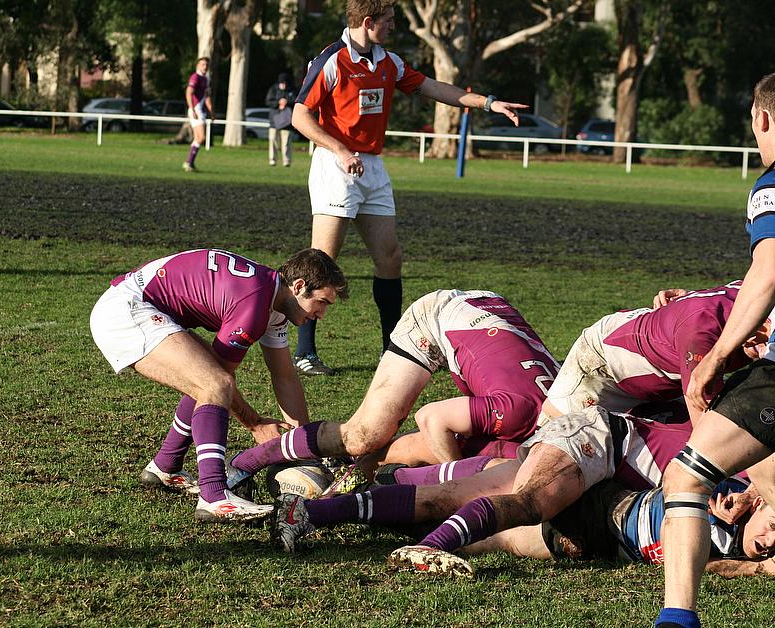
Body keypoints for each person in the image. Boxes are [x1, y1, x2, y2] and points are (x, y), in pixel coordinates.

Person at [290, 0, 527, 376]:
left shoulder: (389, 62)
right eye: (389, 21)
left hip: (372, 166)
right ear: (368, 22)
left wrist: (489, 103)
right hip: (335, 165)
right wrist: (340, 150)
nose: (393, 27)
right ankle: (304, 352)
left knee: (390, 258)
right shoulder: (332, 60)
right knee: (322, 261)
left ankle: (392, 349)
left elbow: (434, 88)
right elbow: (299, 115)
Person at [89, 248, 347, 522]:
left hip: (141, 305)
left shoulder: (273, 303)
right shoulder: (254, 303)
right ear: (299, 286)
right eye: (322, 302)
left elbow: (285, 376)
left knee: (209, 380)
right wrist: (255, 423)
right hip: (127, 310)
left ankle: (166, 465)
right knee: (215, 383)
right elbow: (220, 379)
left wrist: (303, 445)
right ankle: (214, 496)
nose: (322, 314)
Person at [226, 289, 560, 491]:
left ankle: (353, 468)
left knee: (473, 446)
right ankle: (244, 463)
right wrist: (457, 485)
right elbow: (430, 418)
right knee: (364, 435)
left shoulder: (565, 413)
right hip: (435, 318)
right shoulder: (516, 413)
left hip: (490, 312)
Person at [655, 74, 775, 628]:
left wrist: (716, 355)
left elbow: (768, 271)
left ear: (762, 118)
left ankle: (678, 620)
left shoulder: (770, 185)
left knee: (686, 479)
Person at [271, 403, 699, 555]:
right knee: (526, 505)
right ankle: (427, 548)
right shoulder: (729, 454)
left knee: (448, 503)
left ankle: (307, 512)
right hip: (599, 442)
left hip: (598, 459)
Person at [390, 476, 775, 578]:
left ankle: (407, 532)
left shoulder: (742, 553)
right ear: (761, 502)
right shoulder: (729, 492)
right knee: (488, 496)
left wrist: (757, 567)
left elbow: (694, 563)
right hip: (601, 509)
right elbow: (684, 475)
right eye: (773, 525)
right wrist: (735, 494)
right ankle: (390, 492)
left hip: (597, 544)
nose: (769, 539)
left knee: (494, 540)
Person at [539, 281, 773, 425]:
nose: (768, 351)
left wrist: (688, 300)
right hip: (603, 364)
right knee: (555, 432)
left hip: (663, 363)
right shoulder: (700, 335)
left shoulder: (760, 292)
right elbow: (706, 427)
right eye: (769, 341)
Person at [183, 57, 213, 173]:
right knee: (201, 137)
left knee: (198, 138)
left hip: (201, 110)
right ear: (198, 65)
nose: (205, 67)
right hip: (196, 109)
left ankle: (189, 163)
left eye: (206, 65)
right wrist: (192, 109)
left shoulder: (206, 79)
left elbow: (207, 96)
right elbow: (189, 93)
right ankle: (189, 162)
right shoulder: (195, 77)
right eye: (202, 64)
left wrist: (211, 111)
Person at [266, 73, 296, 167]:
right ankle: (272, 160)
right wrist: (278, 102)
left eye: (285, 83)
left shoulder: (291, 90)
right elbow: (268, 101)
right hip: (274, 121)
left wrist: (287, 102)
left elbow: (296, 101)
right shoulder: (273, 89)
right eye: (282, 83)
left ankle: (286, 161)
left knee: (286, 142)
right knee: (273, 140)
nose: (284, 85)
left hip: (287, 121)